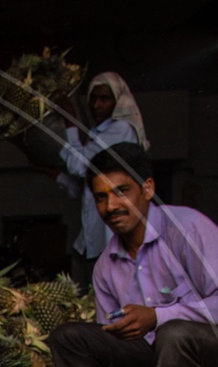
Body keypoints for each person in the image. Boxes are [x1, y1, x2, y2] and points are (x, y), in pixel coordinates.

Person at [49, 143, 218, 367]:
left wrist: (157, 316)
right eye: (101, 197)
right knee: (68, 338)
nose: (110, 206)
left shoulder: (189, 229)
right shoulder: (105, 267)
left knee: (173, 333)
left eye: (121, 192)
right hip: (164, 362)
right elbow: (111, 347)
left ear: (148, 189)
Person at [47, 73, 149, 287]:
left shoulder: (120, 129)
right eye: (93, 98)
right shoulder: (97, 133)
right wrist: (54, 174)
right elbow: (83, 191)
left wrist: (70, 124)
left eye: (104, 98)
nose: (96, 105)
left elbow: (78, 165)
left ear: (117, 101)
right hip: (89, 243)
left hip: (106, 244)